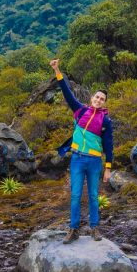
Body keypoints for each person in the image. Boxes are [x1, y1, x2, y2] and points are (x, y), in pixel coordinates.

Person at [50, 59, 113, 244]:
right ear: (91, 98)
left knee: (93, 195)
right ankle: (74, 229)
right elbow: (67, 93)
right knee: (76, 194)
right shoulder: (80, 110)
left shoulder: (106, 121)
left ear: (104, 103)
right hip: (77, 159)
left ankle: (94, 228)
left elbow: (109, 145)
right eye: (96, 97)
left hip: (94, 162)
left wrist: (108, 168)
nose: (98, 100)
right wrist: (57, 70)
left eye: (102, 99)